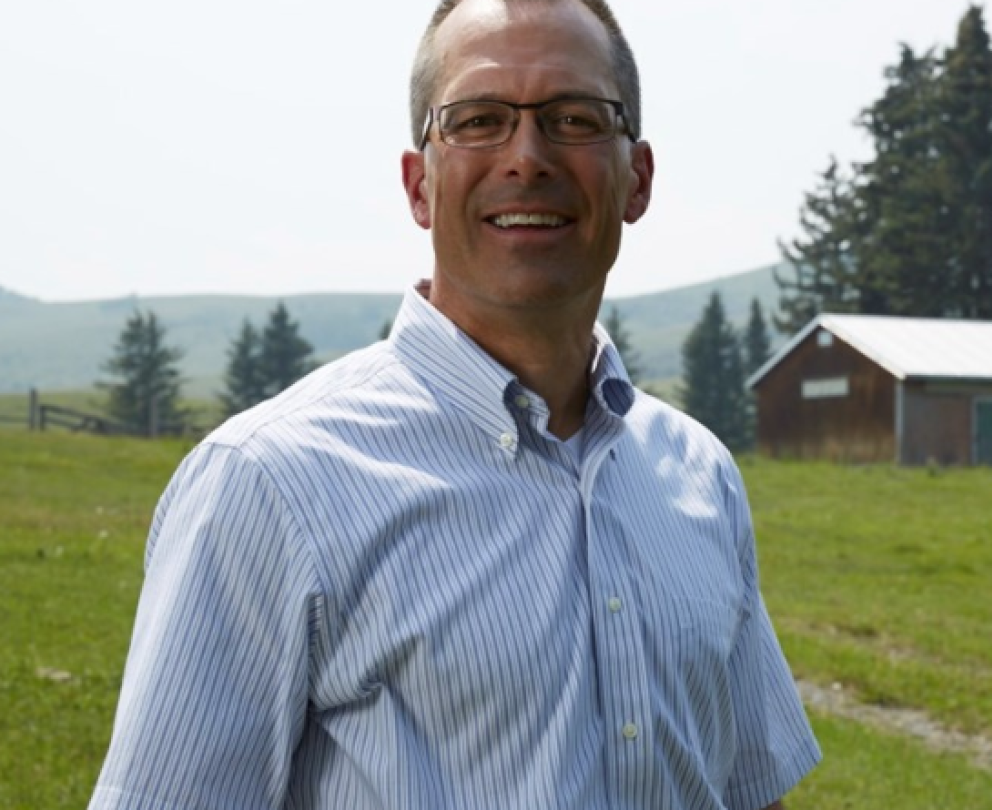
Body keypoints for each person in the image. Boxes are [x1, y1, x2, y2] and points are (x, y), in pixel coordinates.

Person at [87, 0, 821, 807]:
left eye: (575, 118)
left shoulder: (699, 475)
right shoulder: (268, 485)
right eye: (478, 120)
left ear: (637, 179)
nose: (528, 156)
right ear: (419, 185)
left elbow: (749, 788)